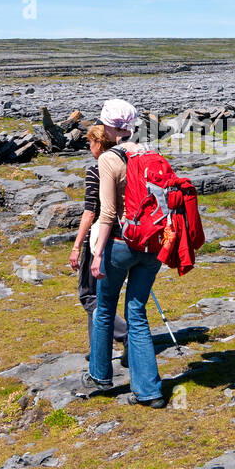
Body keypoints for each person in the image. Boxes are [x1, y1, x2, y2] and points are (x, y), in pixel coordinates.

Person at [84, 99, 167, 408]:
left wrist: (95, 256)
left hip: (120, 243)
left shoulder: (108, 159)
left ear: (109, 126)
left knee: (104, 308)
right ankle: (149, 392)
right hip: (152, 244)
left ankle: (101, 375)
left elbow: (106, 214)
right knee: (137, 313)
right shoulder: (151, 153)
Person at [68, 123, 127, 354]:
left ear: (98, 143)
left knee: (88, 295)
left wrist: (76, 247)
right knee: (98, 293)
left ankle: (124, 332)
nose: (89, 147)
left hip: (98, 238)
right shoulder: (123, 163)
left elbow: (90, 211)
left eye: (90, 143)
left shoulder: (96, 170)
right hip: (122, 235)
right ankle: (97, 349)